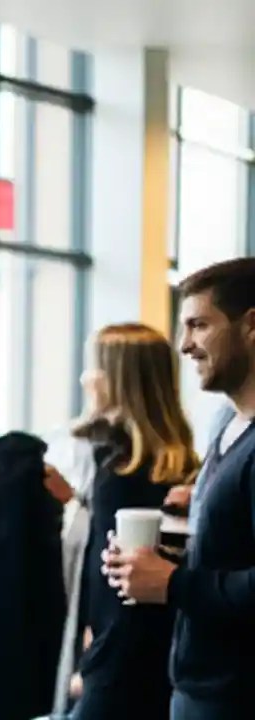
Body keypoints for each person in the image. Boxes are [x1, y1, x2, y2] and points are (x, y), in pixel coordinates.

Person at [105, 257, 255, 719]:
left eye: (199, 325)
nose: (185, 345)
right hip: (197, 688)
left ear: (251, 326)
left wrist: (172, 583)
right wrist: (165, 558)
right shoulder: (225, 423)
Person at [66, 324, 200, 720]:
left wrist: (91, 666)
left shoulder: (121, 475)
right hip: (165, 665)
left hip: (121, 672)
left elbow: (118, 595)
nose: (86, 379)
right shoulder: (184, 470)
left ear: (119, 383)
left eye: (96, 368)